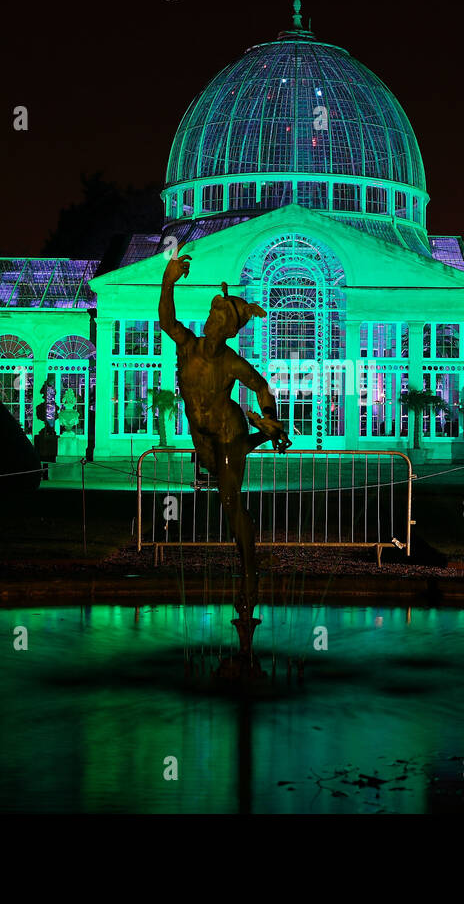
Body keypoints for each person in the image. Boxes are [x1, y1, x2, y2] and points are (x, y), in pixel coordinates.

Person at [159, 242, 291, 649]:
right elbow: (166, 320)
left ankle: (250, 571)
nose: (214, 318)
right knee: (222, 491)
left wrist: (267, 411)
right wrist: (167, 281)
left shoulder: (231, 360)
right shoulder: (188, 345)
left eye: (221, 316)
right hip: (204, 435)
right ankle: (263, 438)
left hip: (228, 430)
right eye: (214, 312)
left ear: (230, 329)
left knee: (231, 501)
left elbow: (261, 386)